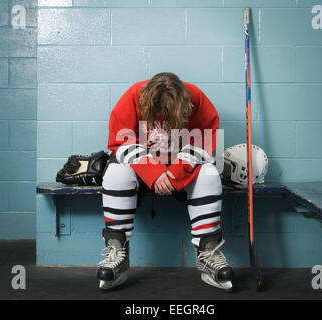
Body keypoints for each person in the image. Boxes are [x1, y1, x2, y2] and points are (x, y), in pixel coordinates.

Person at [97, 72, 234, 291]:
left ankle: (208, 251)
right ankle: (117, 249)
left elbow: (204, 143)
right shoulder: (133, 95)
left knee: (209, 172)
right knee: (115, 172)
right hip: (143, 169)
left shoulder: (196, 98)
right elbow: (120, 142)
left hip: (180, 169)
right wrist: (153, 172)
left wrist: (173, 175)